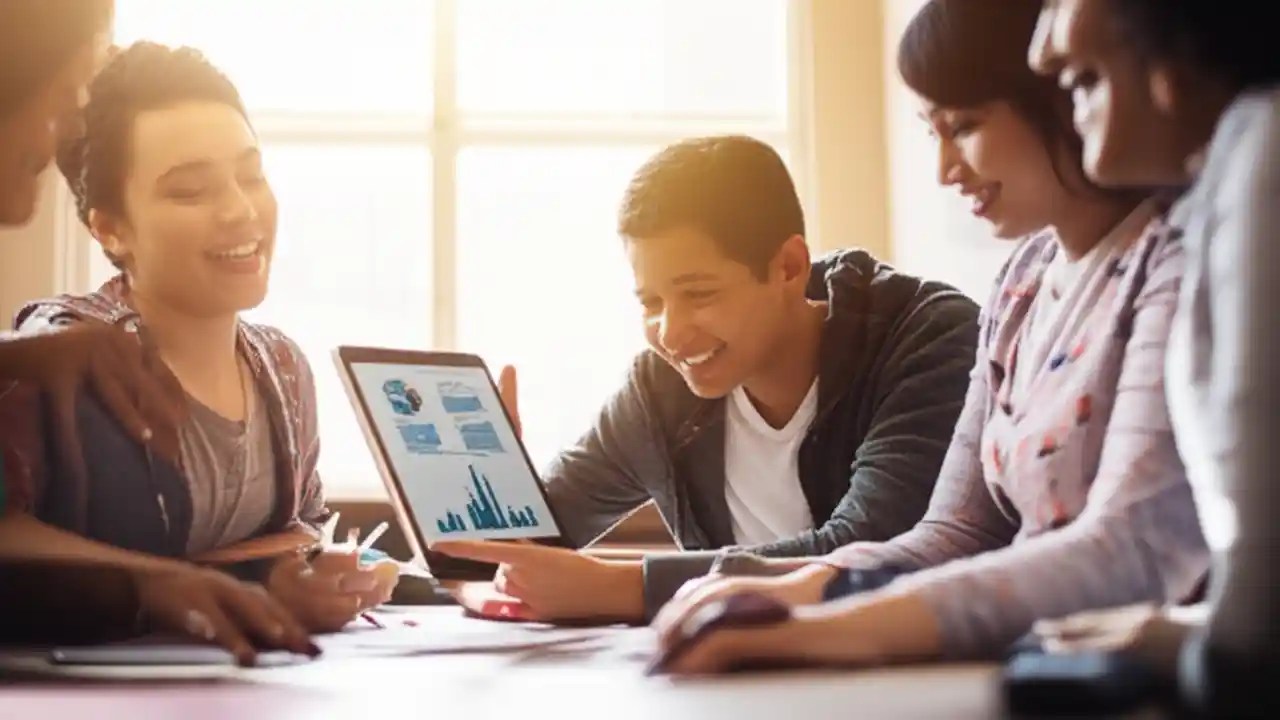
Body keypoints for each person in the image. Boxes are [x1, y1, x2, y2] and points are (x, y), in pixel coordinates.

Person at [646, 0, 1209, 674]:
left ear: (1053, 97)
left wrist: (820, 632)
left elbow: (1135, 549)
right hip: (1038, 661)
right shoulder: (1022, 281)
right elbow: (958, 530)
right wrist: (800, 587)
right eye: (932, 132)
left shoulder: (1174, 260)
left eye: (964, 127)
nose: (945, 169)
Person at [434, 134, 981, 623]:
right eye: (651, 301)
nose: (670, 334)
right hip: (740, 678)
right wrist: (492, 486)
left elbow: (874, 551)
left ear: (789, 267)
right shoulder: (660, 392)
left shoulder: (926, 339)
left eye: (699, 294)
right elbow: (525, 546)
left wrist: (624, 587)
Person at [0, 41, 397, 634]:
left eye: (251, 174)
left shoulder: (283, 367)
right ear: (109, 229)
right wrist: (152, 586)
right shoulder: (61, 354)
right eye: (190, 191)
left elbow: (296, 536)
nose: (240, 210)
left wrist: (309, 578)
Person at [1028, 1, 1280, 714]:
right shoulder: (1230, 171)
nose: (1041, 49)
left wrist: (1197, 650)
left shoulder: (1267, 151)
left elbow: (1256, 660)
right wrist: (1182, 636)